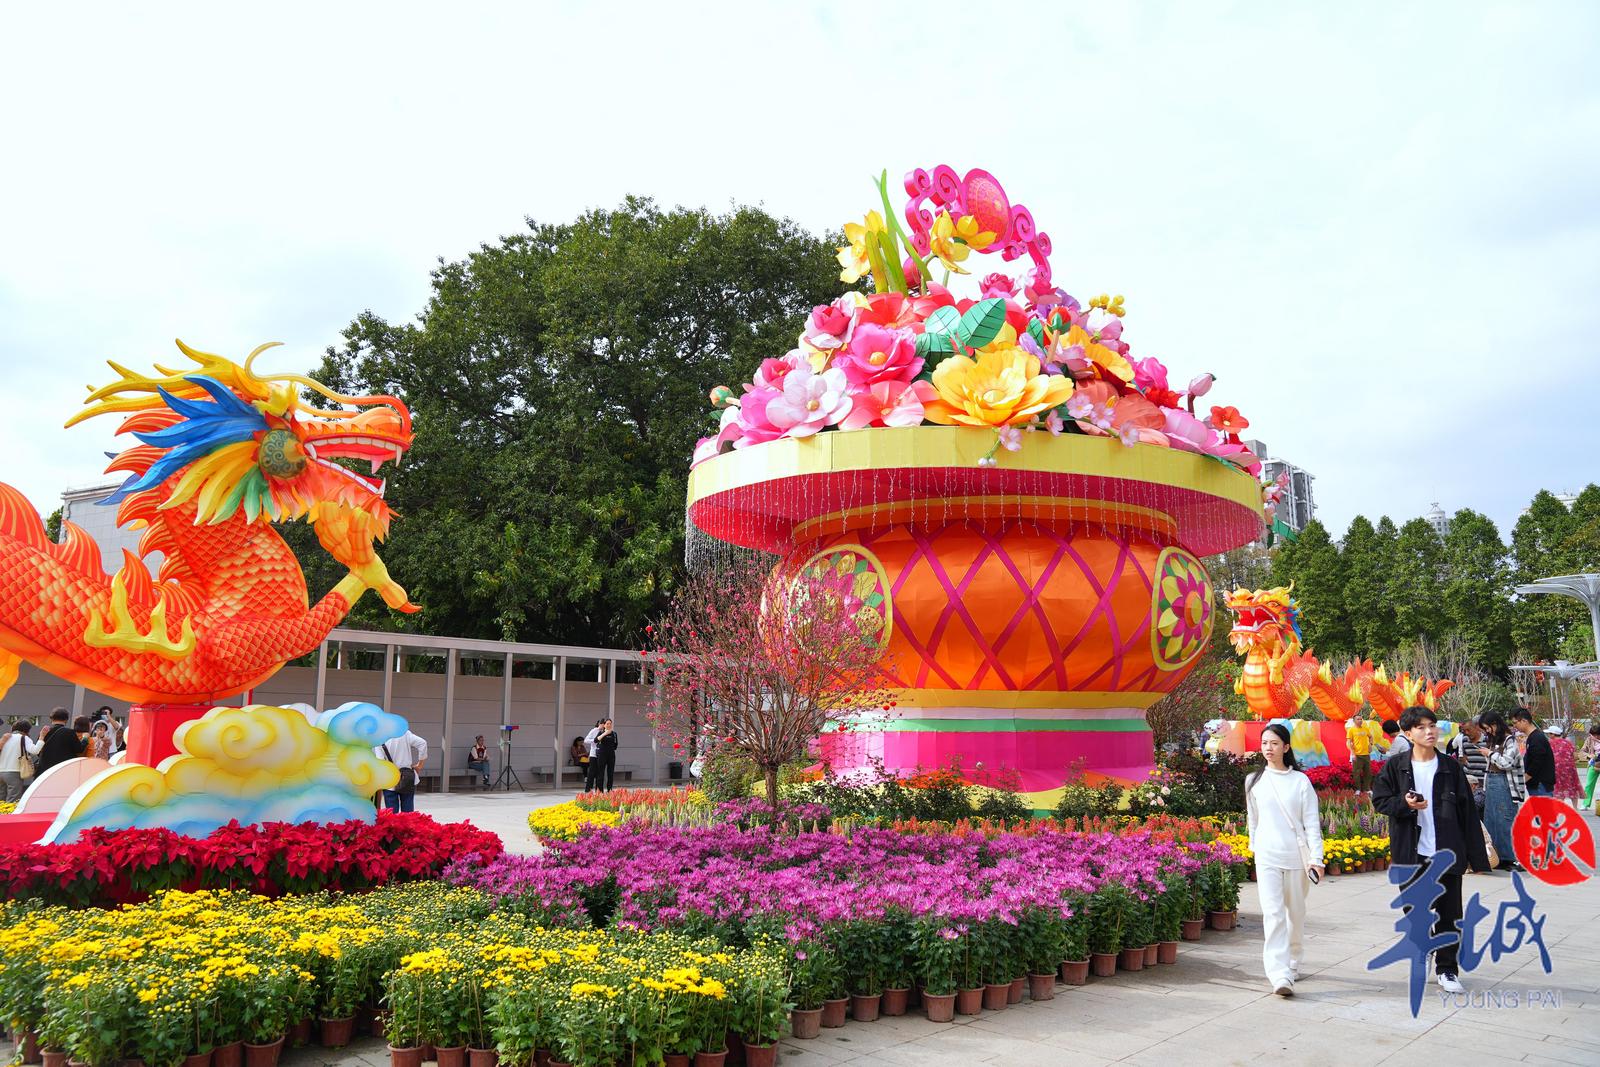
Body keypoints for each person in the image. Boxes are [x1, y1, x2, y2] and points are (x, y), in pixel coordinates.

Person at [1371, 705, 1490, 996]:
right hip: (1410, 854)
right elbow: (1380, 801)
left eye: (1432, 726)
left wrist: (1476, 857)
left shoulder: (1450, 768)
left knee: (1450, 914)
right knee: (1416, 913)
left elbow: (1468, 815)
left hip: (1446, 853)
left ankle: (1447, 968)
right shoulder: (1396, 766)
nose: (1429, 732)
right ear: (1408, 733)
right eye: (1422, 727)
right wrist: (1404, 804)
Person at [1246, 723, 1324, 997]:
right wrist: (1255, 848)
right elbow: (1252, 821)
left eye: (1275, 743)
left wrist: (1317, 859)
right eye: (1265, 743)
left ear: (1286, 747)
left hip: (1295, 858)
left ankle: (1293, 959)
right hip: (1267, 857)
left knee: (1295, 913)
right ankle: (1278, 974)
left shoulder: (1300, 782)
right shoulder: (1254, 781)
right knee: (1273, 914)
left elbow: (1312, 823)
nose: (1269, 748)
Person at [1476, 709, 1523, 870]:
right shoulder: (1493, 740)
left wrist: (1489, 754)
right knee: (1492, 820)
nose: (1487, 731)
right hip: (1491, 781)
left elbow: (1506, 763)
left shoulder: (1510, 740)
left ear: (1495, 724)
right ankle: (1497, 856)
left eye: (1488, 728)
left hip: (1504, 782)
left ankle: (1512, 858)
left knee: (1505, 820)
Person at [374, 729, 427, 814]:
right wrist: (420, 765)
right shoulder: (404, 733)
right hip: (407, 778)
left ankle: (394, 827)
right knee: (408, 814)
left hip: (390, 780)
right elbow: (422, 743)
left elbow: (380, 763)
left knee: (392, 815)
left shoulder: (379, 739)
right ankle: (408, 827)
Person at [1509, 708, 1554, 798]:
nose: (1514, 726)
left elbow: (1537, 762)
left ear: (1524, 721)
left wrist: (1525, 778)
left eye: (1515, 723)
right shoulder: (1532, 737)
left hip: (1540, 785)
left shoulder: (1537, 738)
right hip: (1537, 785)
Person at [1446, 717, 1489, 812]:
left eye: (1469, 730)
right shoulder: (1464, 740)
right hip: (1469, 780)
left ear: (1477, 727)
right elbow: (1464, 756)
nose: (1467, 733)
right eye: (1464, 731)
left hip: (1483, 780)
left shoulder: (1487, 740)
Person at [0, 720, 43, 803]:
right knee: (12, 800)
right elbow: (35, 750)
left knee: (1, 799)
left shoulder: (5, 738)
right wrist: (41, 738)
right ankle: (10, 816)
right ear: (26, 730)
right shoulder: (24, 738)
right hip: (14, 772)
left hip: (1, 771)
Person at [1547, 726, 1583, 803]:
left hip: (1556, 769)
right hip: (1570, 769)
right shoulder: (1568, 742)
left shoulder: (1549, 743)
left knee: (1559, 788)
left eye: (1549, 734)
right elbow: (1576, 757)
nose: (1548, 735)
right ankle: (1575, 809)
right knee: (1572, 787)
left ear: (1553, 734)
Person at [1346, 710, 1374, 797]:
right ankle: (1358, 789)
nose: (1360, 720)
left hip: (1366, 754)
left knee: (1368, 772)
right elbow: (1349, 742)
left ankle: (1367, 789)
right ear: (1354, 721)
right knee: (1356, 773)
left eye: (1361, 719)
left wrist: (1370, 744)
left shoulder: (1365, 729)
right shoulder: (1351, 730)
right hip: (1357, 755)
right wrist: (1353, 753)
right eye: (1358, 719)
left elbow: (1371, 737)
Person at [594, 717, 619, 793]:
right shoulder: (601, 732)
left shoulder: (614, 734)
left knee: (610, 773)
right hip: (601, 755)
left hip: (611, 755)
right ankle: (599, 791)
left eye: (610, 724)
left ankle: (609, 790)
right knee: (600, 773)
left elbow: (615, 745)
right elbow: (595, 740)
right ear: (604, 725)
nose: (609, 725)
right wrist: (605, 733)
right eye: (607, 724)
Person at [582, 719, 605, 792]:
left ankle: (598, 790)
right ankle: (588, 789)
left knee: (599, 773)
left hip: (601, 754)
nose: (603, 725)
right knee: (591, 772)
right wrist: (595, 740)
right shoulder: (594, 730)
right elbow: (586, 740)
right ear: (599, 724)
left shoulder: (606, 732)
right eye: (602, 724)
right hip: (593, 754)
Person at [1581, 723, 1600, 810]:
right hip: (1594, 764)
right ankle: (1585, 803)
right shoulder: (1589, 739)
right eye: (1594, 735)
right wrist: (1589, 755)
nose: (1596, 737)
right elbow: (1582, 752)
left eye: (1597, 735)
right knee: (1589, 784)